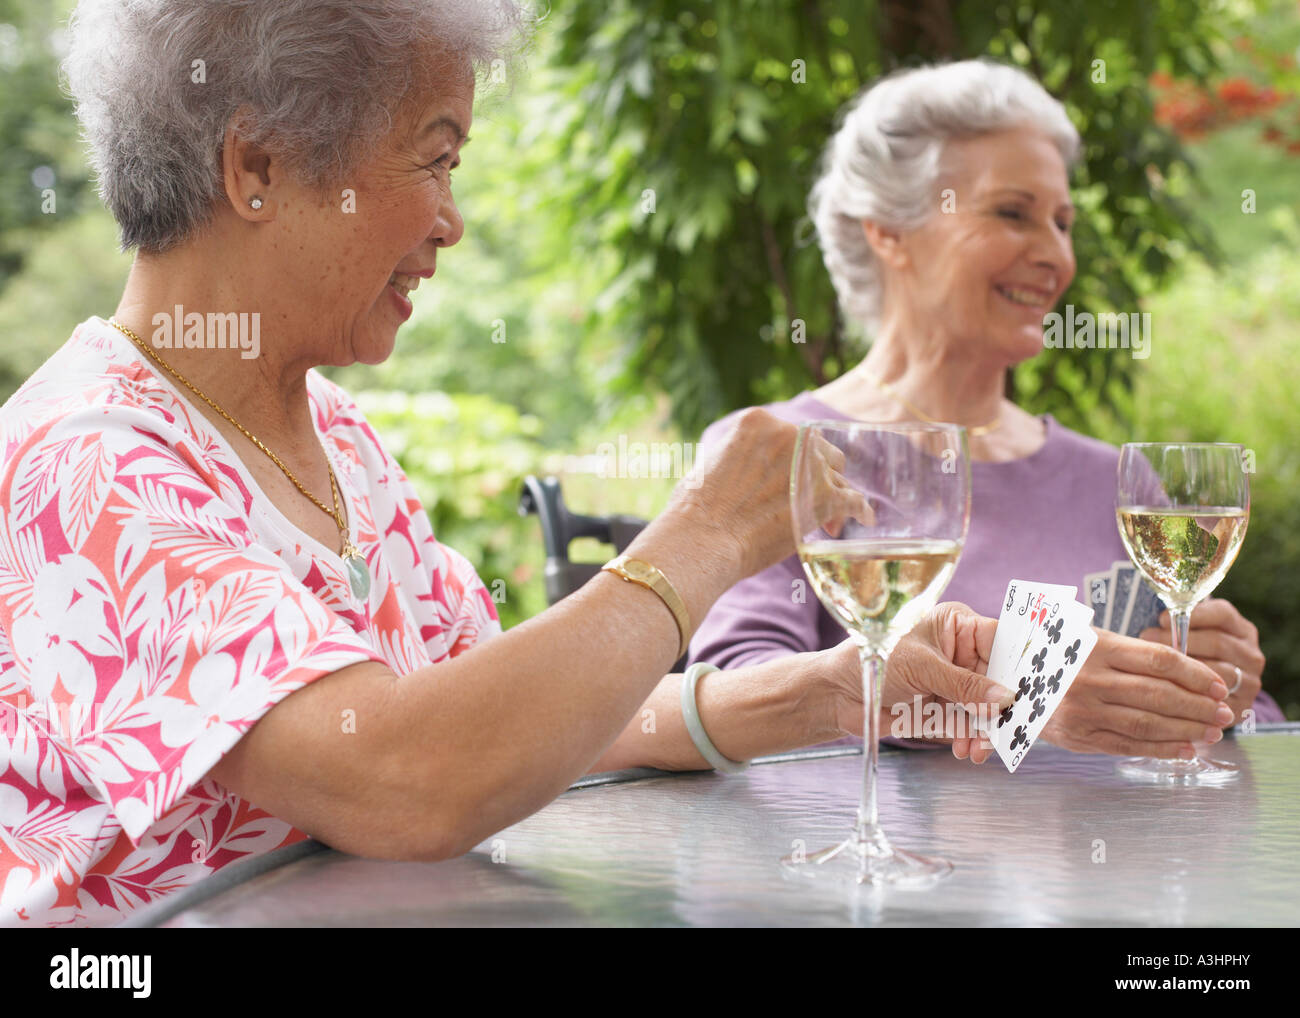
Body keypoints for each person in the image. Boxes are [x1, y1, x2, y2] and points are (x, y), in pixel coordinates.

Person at [0, 1, 1024, 928]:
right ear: (257, 167)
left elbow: (519, 719)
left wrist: (833, 694)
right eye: (434, 160)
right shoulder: (84, 463)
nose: (453, 220)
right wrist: (704, 533)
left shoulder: (332, 435)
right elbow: (406, 779)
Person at [689, 58, 1279, 751]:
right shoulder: (784, 451)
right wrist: (1012, 696)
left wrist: (1225, 695)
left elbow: (1249, 741)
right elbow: (739, 692)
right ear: (887, 229)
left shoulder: (1114, 484)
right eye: (1013, 213)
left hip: (1114, 859)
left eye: (1062, 223)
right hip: (883, 857)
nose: (1056, 256)